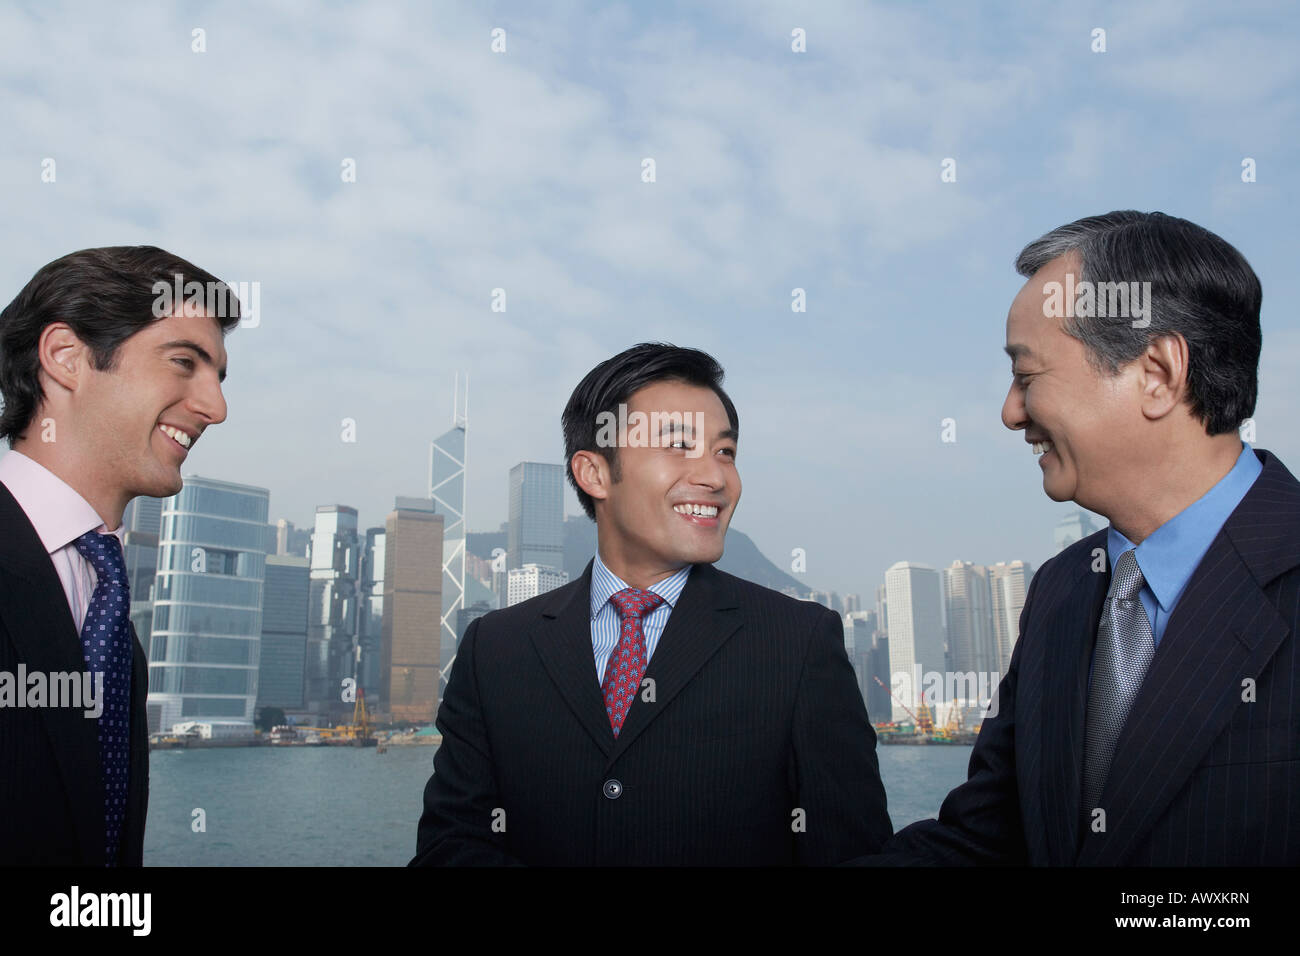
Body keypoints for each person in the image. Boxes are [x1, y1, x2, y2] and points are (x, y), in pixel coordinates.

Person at [871, 211, 1299, 865]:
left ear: (1157, 372)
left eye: (1026, 375)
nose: (1011, 413)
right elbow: (988, 839)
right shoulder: (1061, 590)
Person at [412, 343, 891, 865]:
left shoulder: (797, 642)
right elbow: (450, 845)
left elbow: (851, 852)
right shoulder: (495, 648)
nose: (715, 477)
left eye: (725, 451)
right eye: (679, 446)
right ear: (594, 473)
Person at [0, 246, 236, 866]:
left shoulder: (113, 627)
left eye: (217, 376)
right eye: (184, 361)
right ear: (66, 357)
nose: (216, 408)